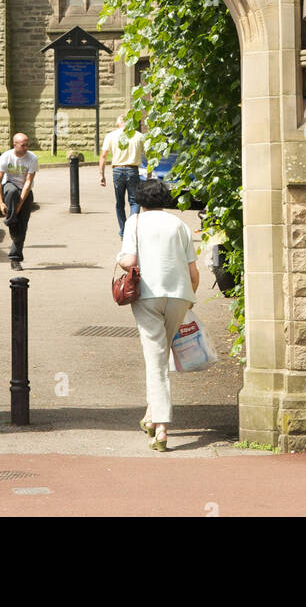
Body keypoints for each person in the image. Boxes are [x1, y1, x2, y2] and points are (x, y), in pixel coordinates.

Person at [117, 178, 200, 452]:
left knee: (155, 361)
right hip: (179, 294)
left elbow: (129, 261)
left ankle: (162, 427)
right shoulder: (179, 225)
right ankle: (151, 416)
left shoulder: (135, 222)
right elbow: (193, 272)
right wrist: (189, 300)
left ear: (140, 199)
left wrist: (118, 259)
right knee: (160, 357)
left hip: (149, 296)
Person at [0, 132, 38, 271]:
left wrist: (19, 206)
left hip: (25, 191)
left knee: (22, 228)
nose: (26, 148)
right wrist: (1, 203)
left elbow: (28, 182)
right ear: (15, 144)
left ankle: (15, 259)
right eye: (23, 145)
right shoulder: (6, 157)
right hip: (9, 187)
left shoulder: (32, 158)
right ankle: (11, 220)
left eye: (27, 145)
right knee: (12, 191)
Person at [100, 114, 146, 239]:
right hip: (133, 170)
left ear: (119, 123)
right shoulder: (139, 136)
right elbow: (148, 155)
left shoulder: (111, 136)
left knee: (119, 203)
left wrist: (102, 175)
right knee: (134, 202)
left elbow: (103, 156)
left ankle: (123, 230)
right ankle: (131, 230)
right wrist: (150, 173)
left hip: (117, 170)